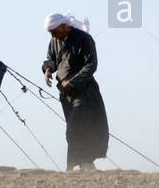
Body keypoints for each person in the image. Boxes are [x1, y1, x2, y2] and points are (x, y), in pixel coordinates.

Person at [41, 12, 109, 171]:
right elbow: (50, 59)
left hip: (84, 92)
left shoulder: (84, 39)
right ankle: (87, 164)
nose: (53, 35)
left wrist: (72, 82)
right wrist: (48, 70)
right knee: (78, 127)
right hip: (65, 95)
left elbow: (91, 65)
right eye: (51, 33)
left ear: (65, 26)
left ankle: (72, 165)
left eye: (55, 32)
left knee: (74, 128)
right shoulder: (54, 40)